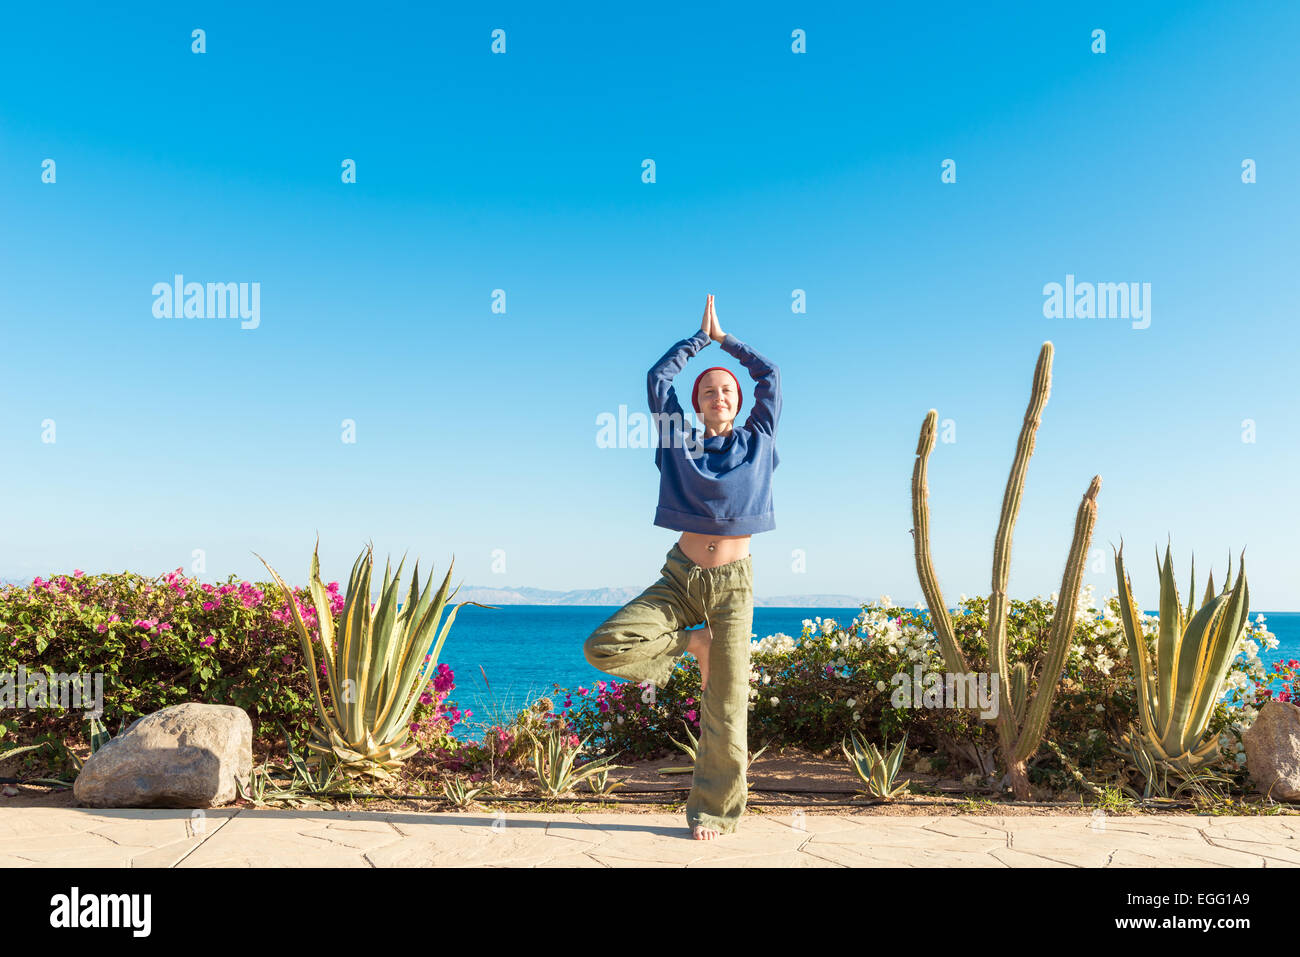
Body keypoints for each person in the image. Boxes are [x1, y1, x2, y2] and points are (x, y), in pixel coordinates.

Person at [583, 294, 781, 840]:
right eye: (709, 389)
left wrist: (728, 343)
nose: (719, 395)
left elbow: (770, 376)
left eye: (727, 390)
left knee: (727, 706)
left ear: (738, 402)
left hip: (733, 589)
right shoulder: (678, 439)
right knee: (604, 645)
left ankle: (714, 811)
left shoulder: (758, 439)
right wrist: (699, 342)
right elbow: (656, 379)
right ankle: (692, 644)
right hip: (680, 579)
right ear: (697, 402)